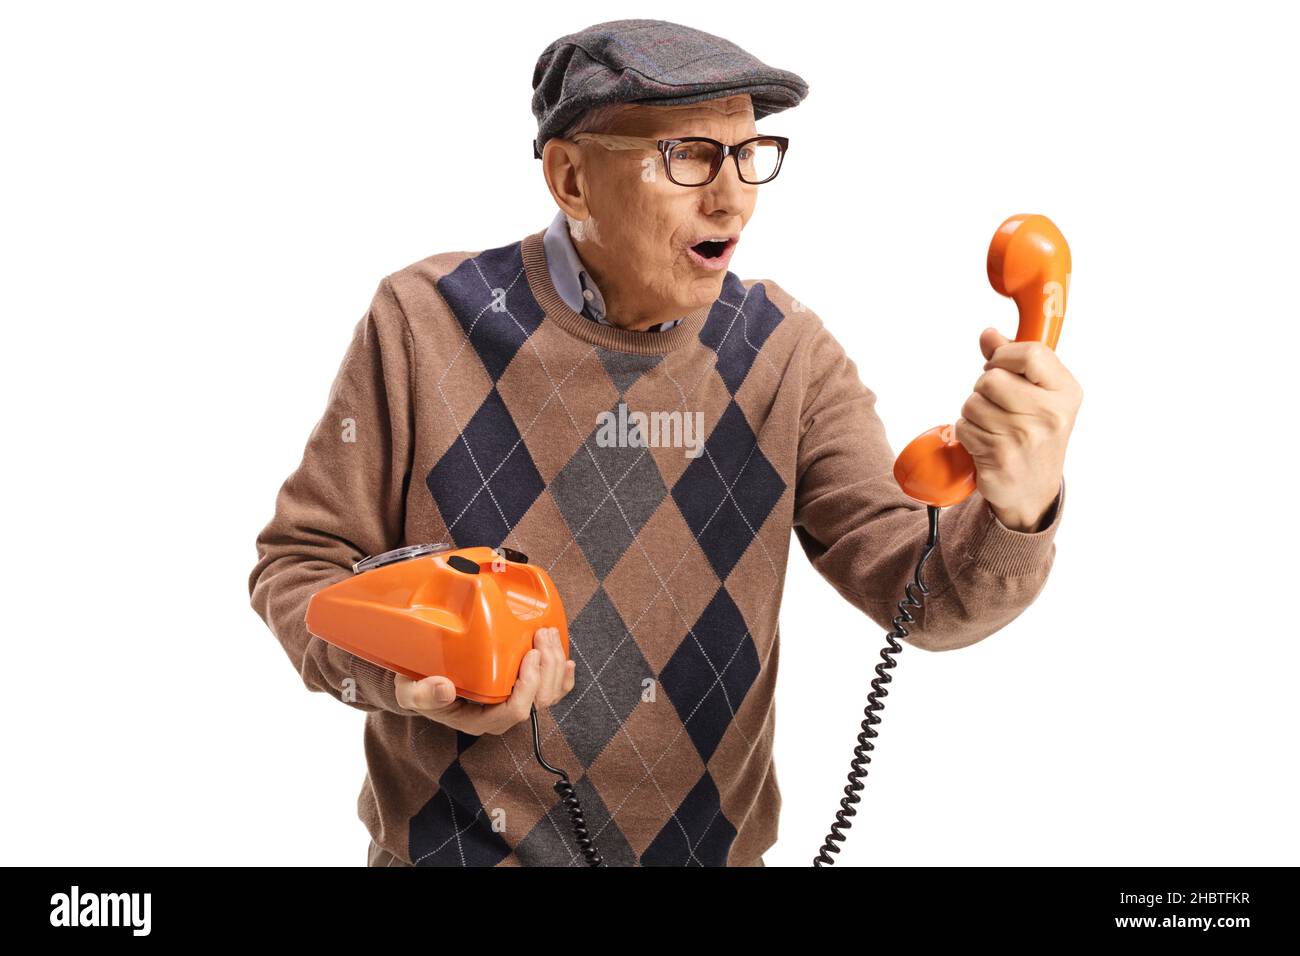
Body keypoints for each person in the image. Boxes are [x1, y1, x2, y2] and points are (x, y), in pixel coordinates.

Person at [248, 18, 1080, 868]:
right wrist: (401, 676)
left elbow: (926, 598)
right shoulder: (422, 323)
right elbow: (298, 567)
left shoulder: (785, 354)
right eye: (688, 156)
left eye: (748, 154)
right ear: (571, 178)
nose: (734, 199)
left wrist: (1018, 508)